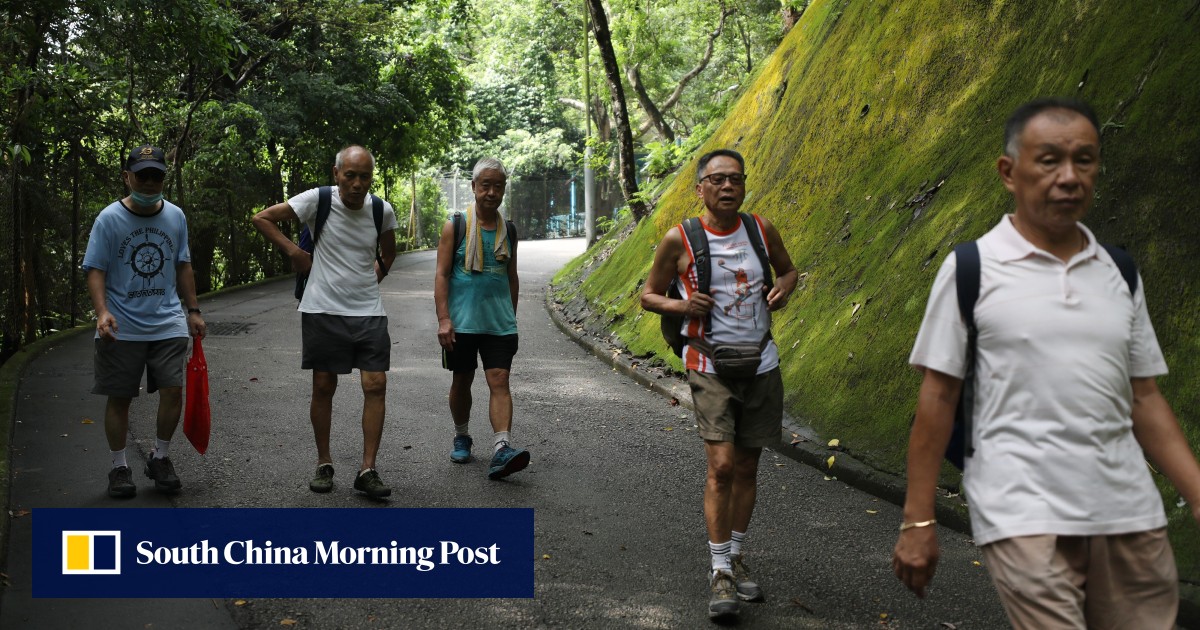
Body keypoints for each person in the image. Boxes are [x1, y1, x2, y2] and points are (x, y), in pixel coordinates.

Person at [893, 97, 1200, 629]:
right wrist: (918, 520)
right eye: (1049, 160)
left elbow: (1144, 396)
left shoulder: (1118, 272)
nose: (1069, 177)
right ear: (1009, 172)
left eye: (1084, 160)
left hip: (1128, 512)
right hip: (1022, 514)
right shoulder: (972, 269)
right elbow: (937, 399)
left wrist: (1197, 492)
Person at [640, 149, 798, 621]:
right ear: (700, 188)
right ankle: (719, 570)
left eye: (735, 179)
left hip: (762, 365)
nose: (728, 187)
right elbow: (648, 296)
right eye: (718, 179)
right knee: (722, 467)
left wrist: (786, 286)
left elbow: (789, 271)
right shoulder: (679, 239)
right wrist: (681, 308)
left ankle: (736, 555)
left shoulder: (760, 230)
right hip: (708, 366)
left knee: (748, 467)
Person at [252, 145, 398, 498]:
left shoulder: (381, 209)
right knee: (323, 386)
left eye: (364, 177)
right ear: (336, 174)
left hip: (367, 310)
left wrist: (369, 280)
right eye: (350, 175)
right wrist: (294, 252)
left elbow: (389, 252)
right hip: (322, 309)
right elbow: (262, 218)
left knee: (376, 384)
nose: (357, 184)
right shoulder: (317, 200)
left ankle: (368, 469)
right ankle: (324, 462)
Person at [83, 144, 207, 498]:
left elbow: (182, 264)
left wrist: (193, 310)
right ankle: (119, 467)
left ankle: (160, 456)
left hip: (166, 319)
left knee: (172, 389)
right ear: (127, 177)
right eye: (143, 175)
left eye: (157, 175)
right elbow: (95, 269)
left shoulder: (175, 216)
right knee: (120, 396)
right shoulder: (109, 219)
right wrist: (102, 312)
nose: (150, 182)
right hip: (122, 324)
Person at [433, 157, 529, 480]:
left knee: (499, 379)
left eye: (497, 186)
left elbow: (511, 277)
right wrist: (444, 319)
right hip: (461, 323)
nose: (491, 192)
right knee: (462, 379)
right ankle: (462, 434)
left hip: (498, 324)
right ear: (473, 187)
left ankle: (502, 448)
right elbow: (442, 275)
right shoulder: (456, 225)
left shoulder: (509, 231)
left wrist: (511, 319)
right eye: (485, 185)